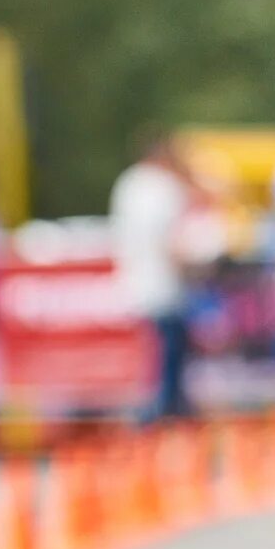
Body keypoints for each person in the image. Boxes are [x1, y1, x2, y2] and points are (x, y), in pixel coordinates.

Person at [110, 132, 195, 423]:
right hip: (165, 282)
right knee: (169, 354)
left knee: (150, 355)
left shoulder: (129, 183)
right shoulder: (163, 187)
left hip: (135, 278)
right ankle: (163, 415)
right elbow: (172, 240)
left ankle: (153, 412)